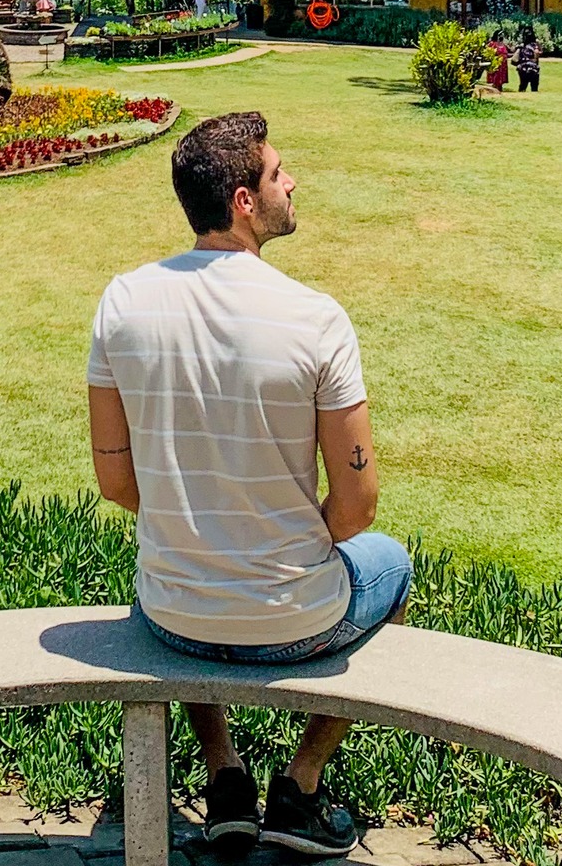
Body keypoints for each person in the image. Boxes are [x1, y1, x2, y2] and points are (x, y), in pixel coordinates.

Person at [88, 113, 408, 858]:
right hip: (295, 619)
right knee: (393, 565)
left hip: (172, 613)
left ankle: (223, 772)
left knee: (188, 562)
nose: (291, 182)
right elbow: (359, 506)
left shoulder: (123, 302)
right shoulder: (315, 319)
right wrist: (280, 543)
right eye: (276, 174)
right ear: (242, 200)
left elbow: (114, 480)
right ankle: (299, 785)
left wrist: (211, 530)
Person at [514, 27, 542, 92]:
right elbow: (537, 54)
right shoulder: (535, 45)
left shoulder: (521, 46)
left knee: (523, 85)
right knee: (534, 87)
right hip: (533, 67)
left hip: (523, 67)